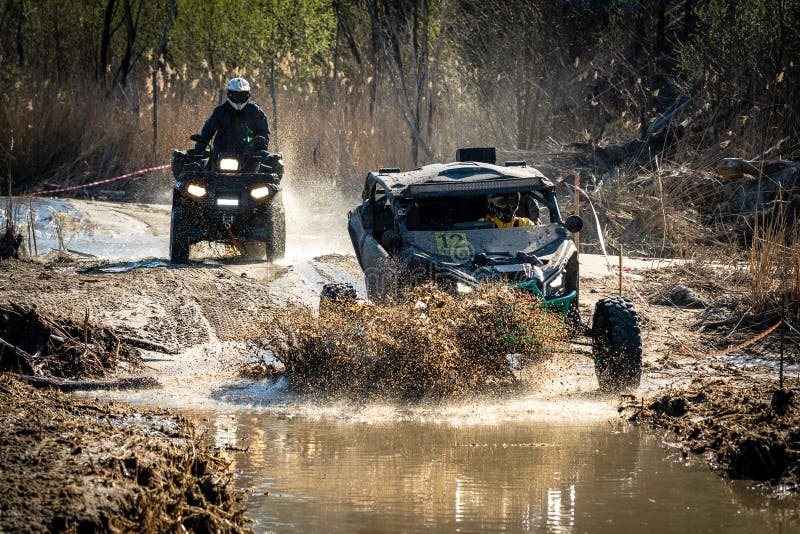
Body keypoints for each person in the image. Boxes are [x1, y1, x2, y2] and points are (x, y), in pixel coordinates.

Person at [193, 77, 270, 156]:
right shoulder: (220, 111)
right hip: (220, 154)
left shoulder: (254, 111)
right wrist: (200, 147)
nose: (239, 99)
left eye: (242, 95)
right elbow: (208, 131)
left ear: (248, 95)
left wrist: (261, 143)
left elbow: (263, 131)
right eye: (236, 95)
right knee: (199, 165)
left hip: (249, 155)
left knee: (272, 162)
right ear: (229, 95)